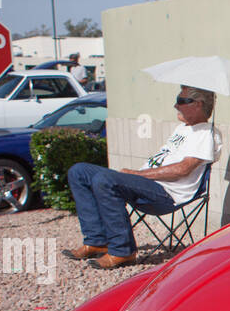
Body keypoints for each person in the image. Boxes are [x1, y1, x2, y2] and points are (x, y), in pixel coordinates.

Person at [64, 85, 221, 269]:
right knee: (79, 171)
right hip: (147, 184)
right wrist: (137, 177)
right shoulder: (183, 129)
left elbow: (182, 169)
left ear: (198, 104)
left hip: (167, 194)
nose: (175, 106)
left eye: (181, 101)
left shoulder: (206, 133)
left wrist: (137, 174)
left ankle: (123, 251)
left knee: (105, 180)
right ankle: (96, 240)